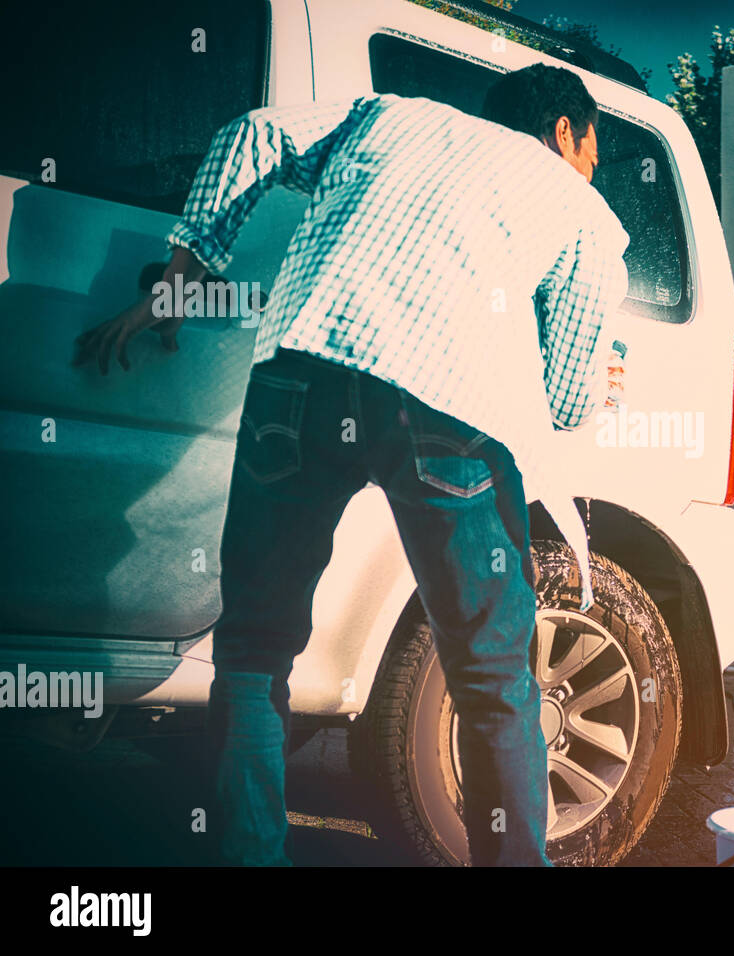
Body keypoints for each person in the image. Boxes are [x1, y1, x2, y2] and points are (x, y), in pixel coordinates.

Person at [72, 64, 630, 867]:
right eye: (593, 150)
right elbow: (572, 400)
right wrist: (608, 380)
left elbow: (253, 133)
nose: (591, 169)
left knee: (255, 650)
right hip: (454, 411)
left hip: (303, 367)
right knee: (493, 681)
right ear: (568, 133)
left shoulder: (390, 115)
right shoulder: (578, 204)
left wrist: (180, 282)